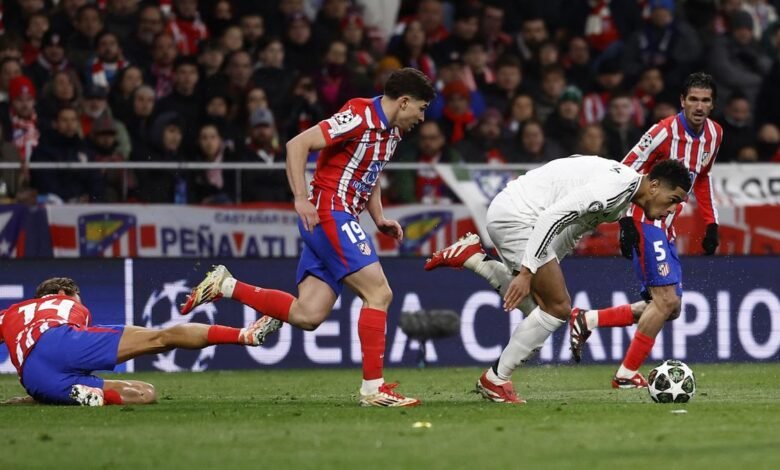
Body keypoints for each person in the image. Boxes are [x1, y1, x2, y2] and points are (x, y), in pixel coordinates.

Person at [181, 68, 436, 407]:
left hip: (341, 216)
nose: (422, 116)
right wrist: (300, 197)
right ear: (403, 102)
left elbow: (370, 171)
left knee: (308, 315)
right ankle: (373, 389)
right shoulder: (360, 115)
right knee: (379, 292)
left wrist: (378, 217)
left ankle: (226, 285)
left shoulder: (391, 132)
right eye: (420, 108)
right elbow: (297, 144)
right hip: (330, 212)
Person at [424, 156, 692, 403]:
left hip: (517, 214)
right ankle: (495, 380)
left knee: (541, 310)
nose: (672, 209)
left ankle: (473, 258)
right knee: (558, 308)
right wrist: (528, 271)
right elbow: (551, 218)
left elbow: (572, 214)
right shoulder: (613, 190)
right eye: (673, 199)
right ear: (654, 186)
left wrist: (545, 265)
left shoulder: (624, 190)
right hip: (519, 218)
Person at [568, 72, 723, 388]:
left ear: (712, 104)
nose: (699, 106)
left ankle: (588, 319)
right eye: (693, 99)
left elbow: (702, 177)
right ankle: (625, 375)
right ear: (682, 101)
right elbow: (624, 169)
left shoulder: (715, 135)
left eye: (705, 100)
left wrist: (711, 222)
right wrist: (624, 219)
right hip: (644, 219)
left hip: (666, 225)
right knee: (665, 303)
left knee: (672, 307)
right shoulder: (662, 132)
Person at [0, 277, 280, 406]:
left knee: (145, 394)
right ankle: (245, 334)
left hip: (36, 378)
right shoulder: (63, 301)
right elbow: (64, 348)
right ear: (63, 291)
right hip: (61, 341)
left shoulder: (10, 314)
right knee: (163, 337)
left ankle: (60, 396)